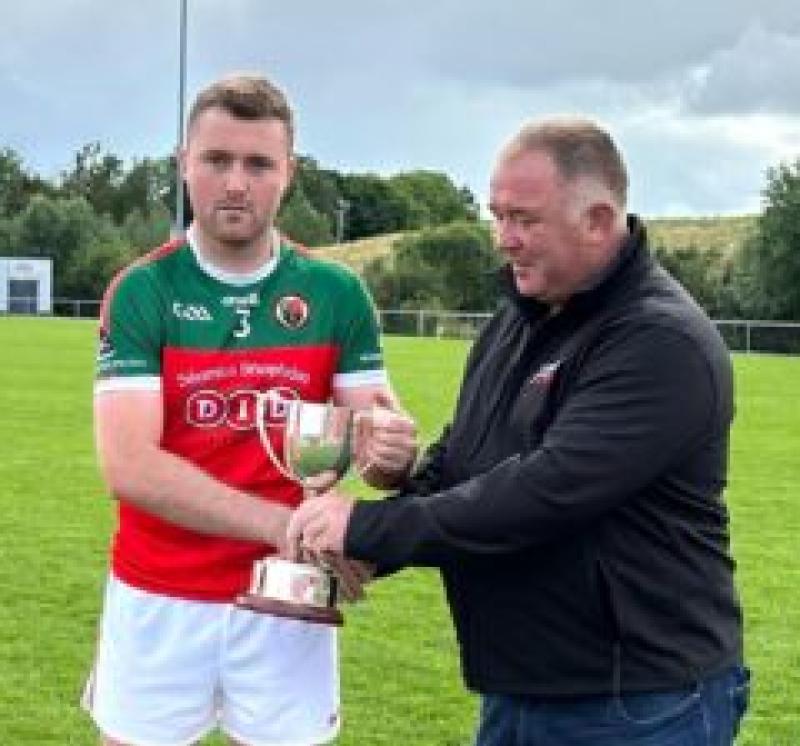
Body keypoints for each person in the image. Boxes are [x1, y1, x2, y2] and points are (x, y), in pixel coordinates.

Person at [287, 118, 750, 745]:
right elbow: (461, 458)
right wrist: (371, 546)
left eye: (526, 220)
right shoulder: (520, 316)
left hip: (637, 700)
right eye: (497, 215)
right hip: (523, 688)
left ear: (599, 219)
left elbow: (544, 494)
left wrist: (367, 526)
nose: (505, 239)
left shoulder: (660, 342)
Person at [82, 73, 417, 746]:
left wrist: (392, 454)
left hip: (288, 609)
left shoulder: (336, 293)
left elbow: (380, 452)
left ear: (287, 174)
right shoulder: (144, 290)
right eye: (216, 160)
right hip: (160, 596)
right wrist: (283, 525)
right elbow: (130, 467)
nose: (236, 182)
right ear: (184, 164)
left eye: (258, 163)